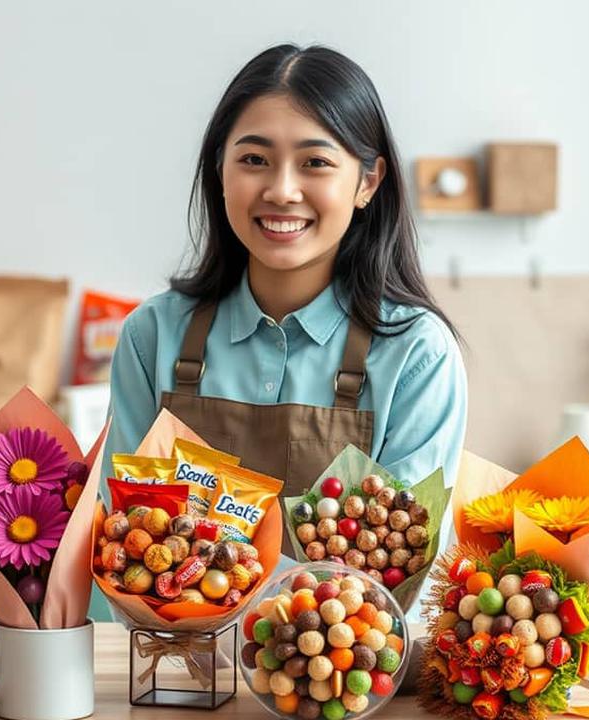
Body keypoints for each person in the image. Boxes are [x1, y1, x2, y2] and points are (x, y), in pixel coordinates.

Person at [104, 44, 468, 545]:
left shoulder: (416, 355)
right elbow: (122, 542)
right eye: (255, 159)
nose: (281, 190)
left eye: (314, 162)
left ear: (367, 182)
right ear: (220, 170)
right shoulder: (153, 337)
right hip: (179, 628)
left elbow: (404, 569)